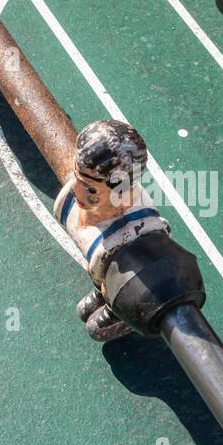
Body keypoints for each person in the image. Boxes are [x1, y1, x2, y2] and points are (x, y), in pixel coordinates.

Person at [54, 120, 170, 342]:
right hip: (101, 268)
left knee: (97, 327)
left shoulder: (140, 228)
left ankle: (115, 306)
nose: (76, 190)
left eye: (90, 188)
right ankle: (102, 292)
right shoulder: (86, 204)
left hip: (121, 276)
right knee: (95, 287)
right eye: (77, 179)